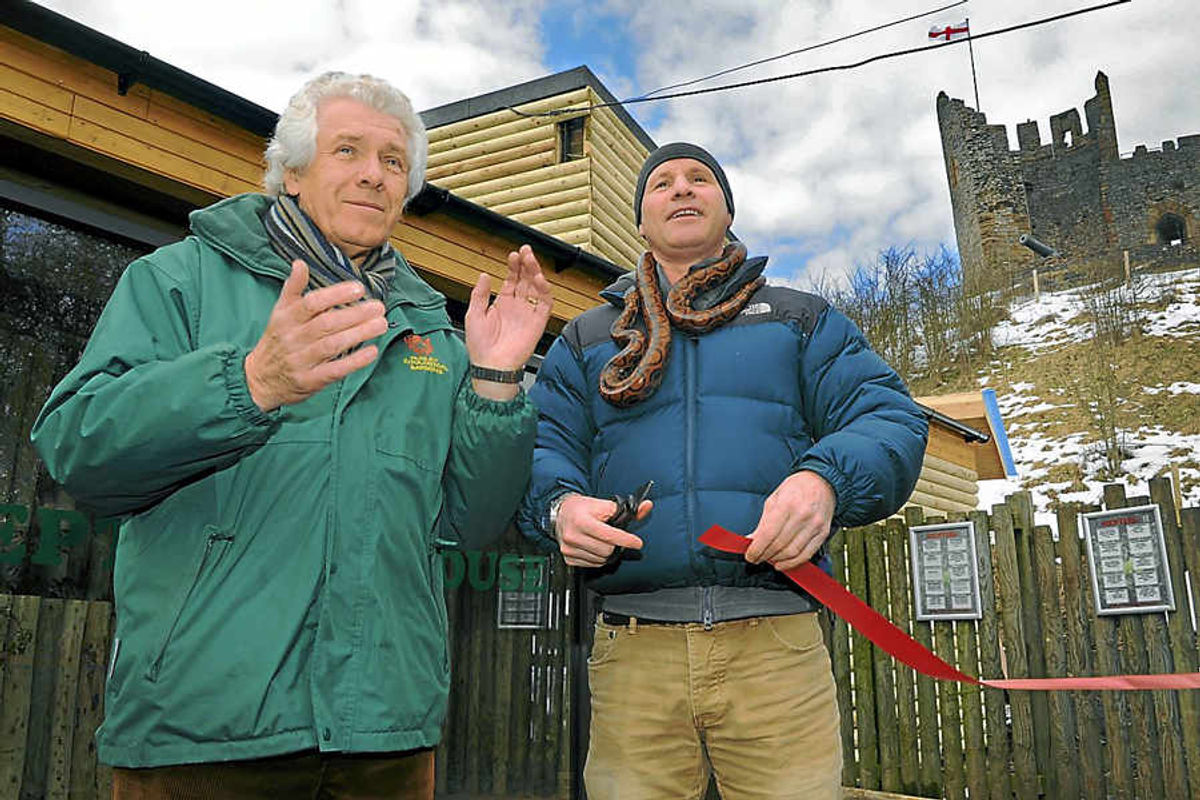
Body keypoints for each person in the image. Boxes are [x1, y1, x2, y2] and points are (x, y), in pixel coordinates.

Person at [31, 71, 552, 799]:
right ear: (294, 170)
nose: (374, 173)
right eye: (348, 150)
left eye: (394, 162)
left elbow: (469, 524)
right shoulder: (181, 278)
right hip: (203, 730)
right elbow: (78, 449)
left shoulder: (431, 329)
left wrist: (496, 380)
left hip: (387, 735)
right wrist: (248, 384)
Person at [517, 142, 928, 800]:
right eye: (662, 183)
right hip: (632, 654)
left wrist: (824, 480)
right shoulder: (587, 339)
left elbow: (892, 421)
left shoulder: (800, 319)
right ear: (641, 221)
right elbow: (539, 449)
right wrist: (559, 506)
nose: (682, 189)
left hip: (776, 648)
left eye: (700, 179)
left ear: (727, 209)